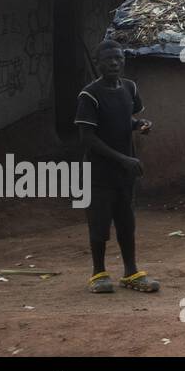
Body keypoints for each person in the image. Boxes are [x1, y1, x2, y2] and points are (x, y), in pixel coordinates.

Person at [74, 39, 158, 294]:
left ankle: (131, 272)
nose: (114, 63)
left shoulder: (130, 88)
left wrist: (140, 125)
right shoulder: (89, 95)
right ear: (98, 63)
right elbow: (87, 137)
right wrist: (123, 159)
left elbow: (128, 119)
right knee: (99, 223)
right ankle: (98, 273)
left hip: (125, 172)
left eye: (119, 59)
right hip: (98, 173)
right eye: (109, 59)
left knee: (126, 221)